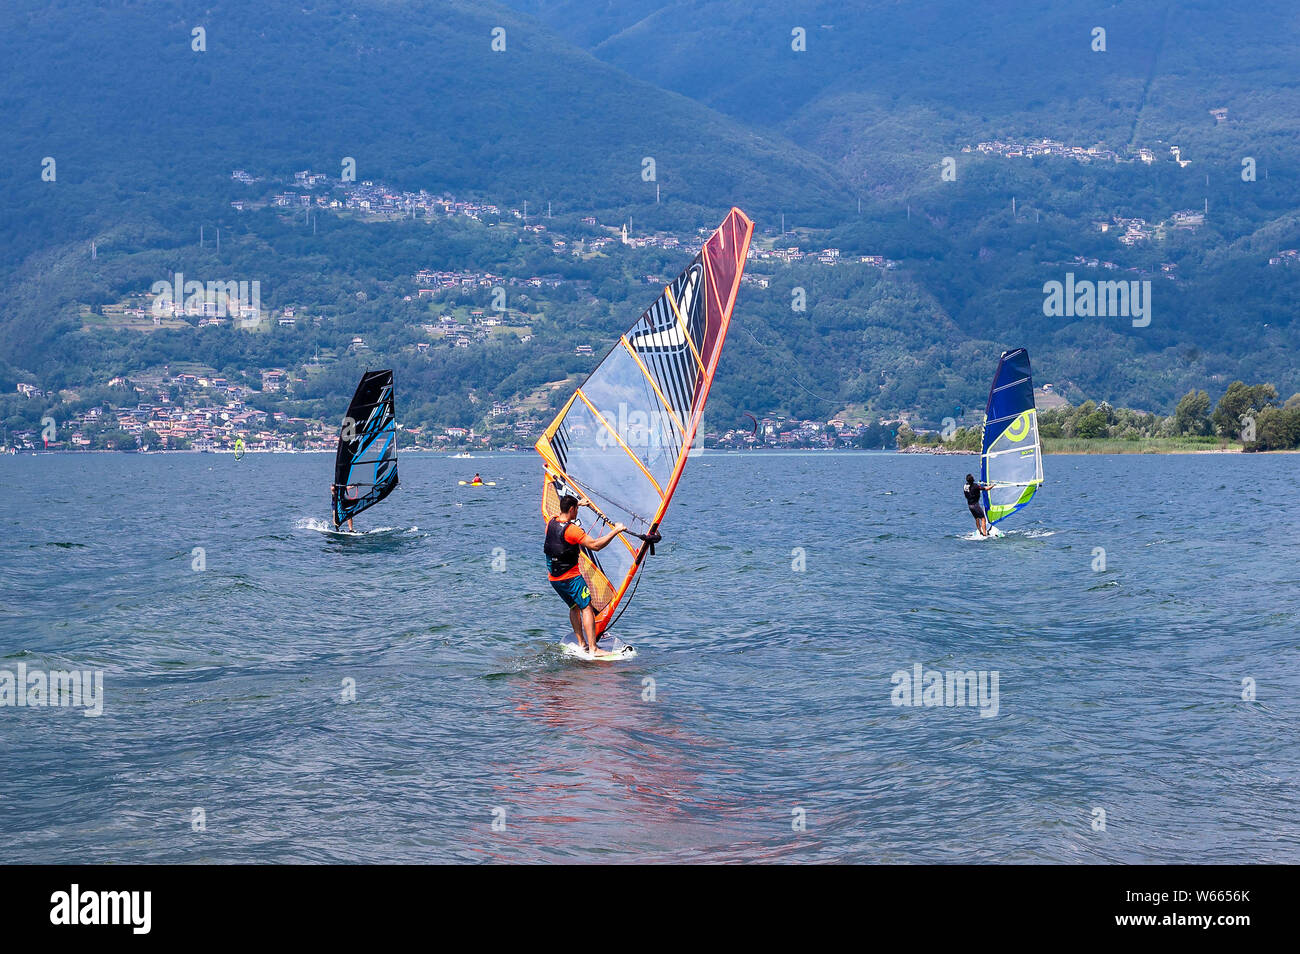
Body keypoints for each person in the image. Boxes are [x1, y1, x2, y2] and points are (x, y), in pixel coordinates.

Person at [544, 494, 625, 656]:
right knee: (586, 608)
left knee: (574, 607)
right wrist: (616, 530)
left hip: (554, 579)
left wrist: (578, 503)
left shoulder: (551, 522)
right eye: (576, 509)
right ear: (572, 510)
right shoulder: (572, 530)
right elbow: (595, 546)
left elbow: (563, 512)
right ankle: (594, 649)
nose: (577, 513)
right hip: (570, 578)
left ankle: (582, 643)